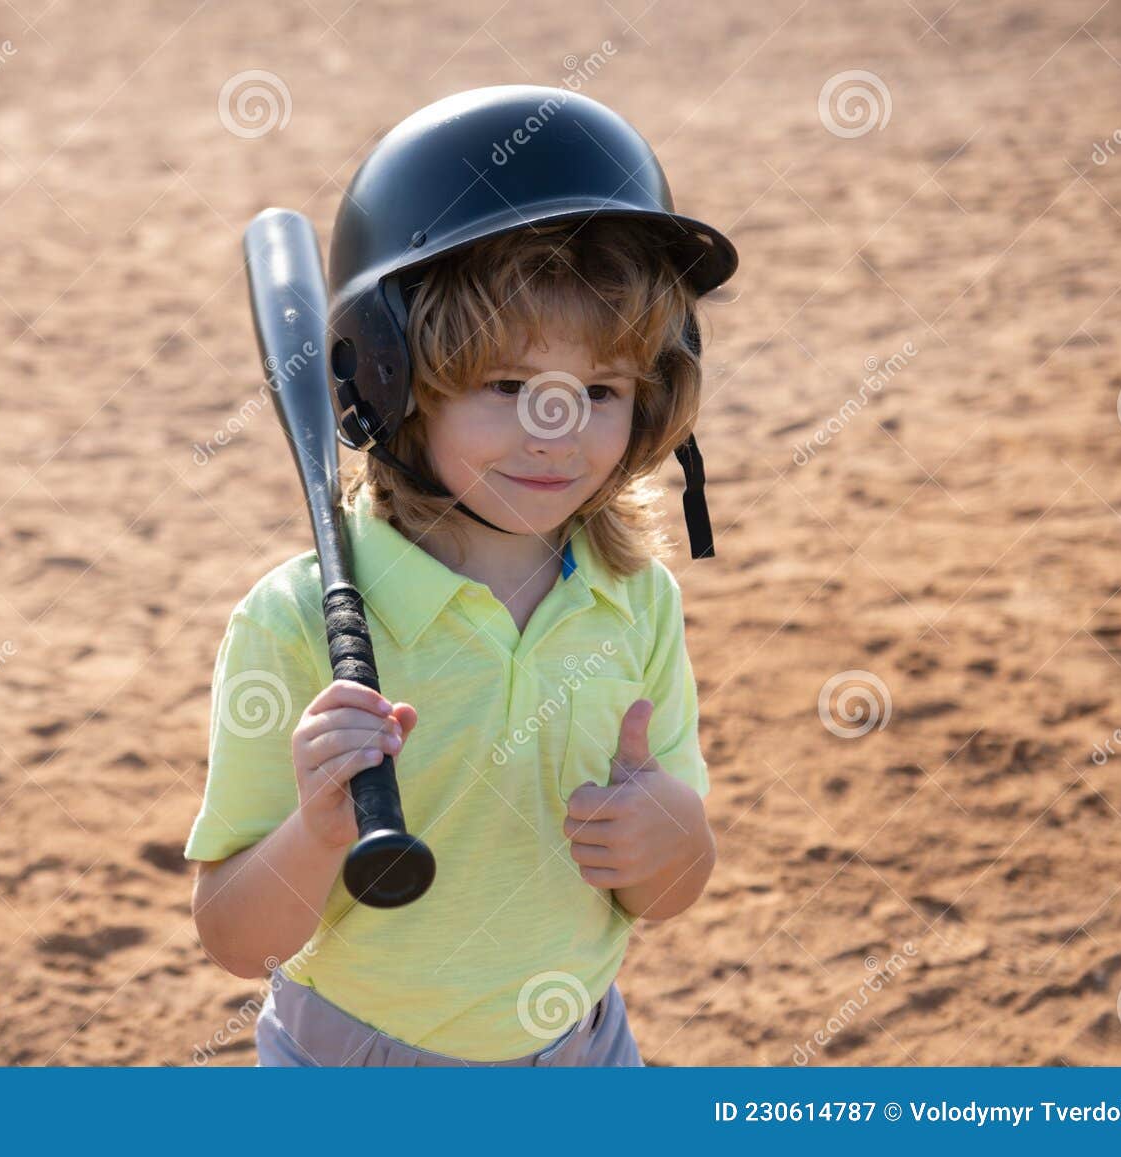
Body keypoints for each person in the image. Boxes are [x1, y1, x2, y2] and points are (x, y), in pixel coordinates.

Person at [185, 85, 737, 1066]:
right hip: (356, 1066)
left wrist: (667, 838)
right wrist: (316, 829)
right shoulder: (294, 622)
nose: (557, 429)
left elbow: (671, 887)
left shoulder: (635, 599)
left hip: (585, 1050)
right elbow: (235, 937)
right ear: (388, 378)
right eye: (509, 386)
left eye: (601, 390)